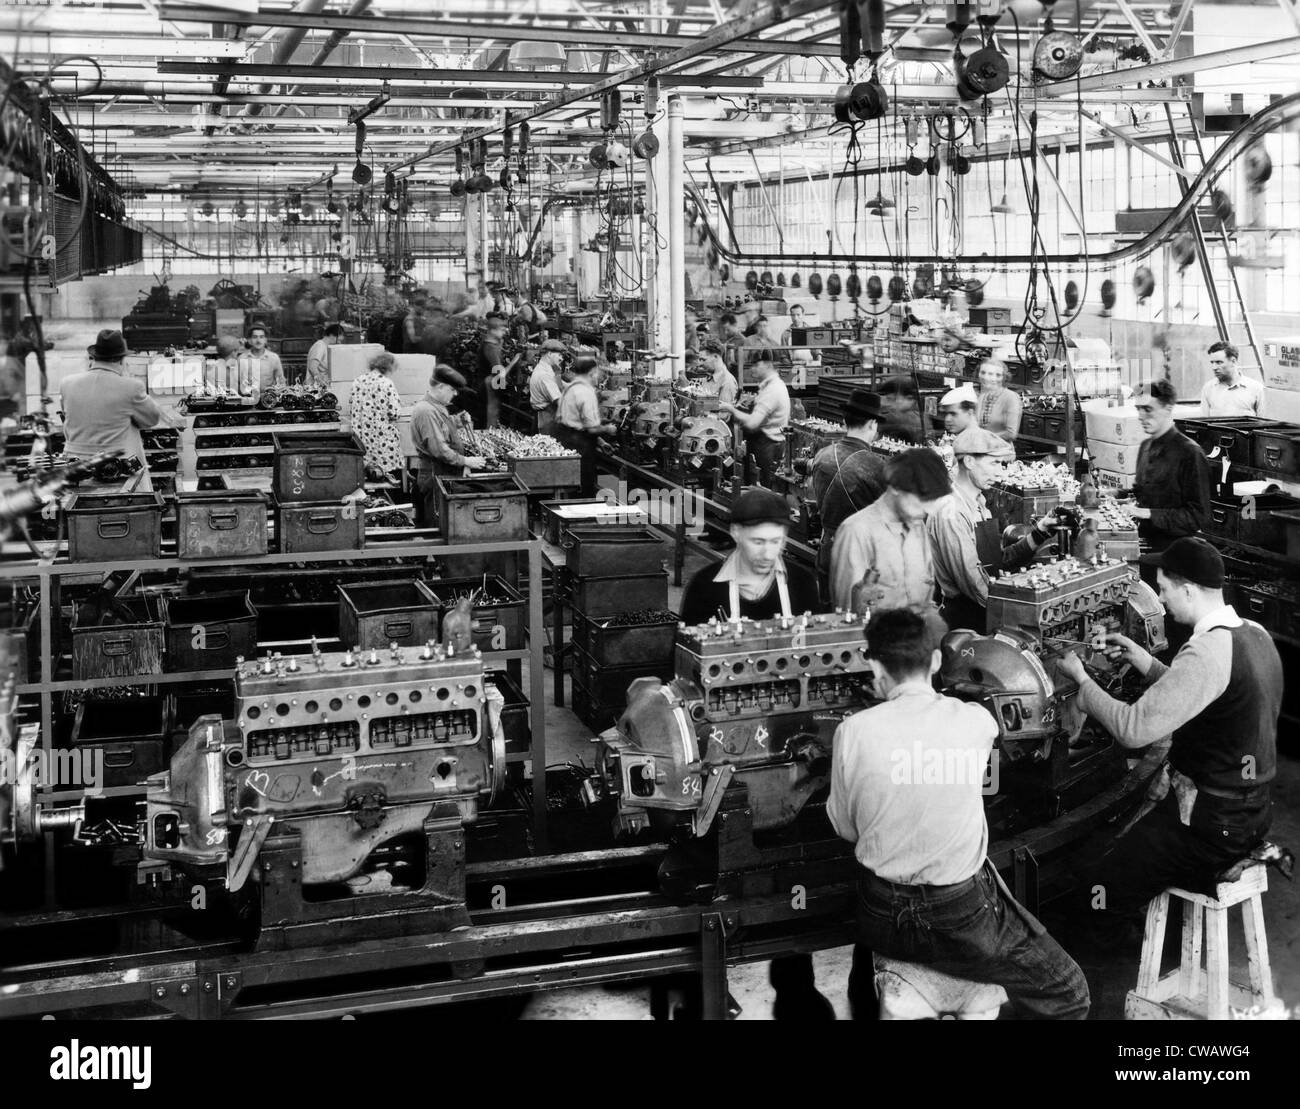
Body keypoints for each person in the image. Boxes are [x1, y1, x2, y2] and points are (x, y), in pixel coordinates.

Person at [830, 608, 1090, 1020]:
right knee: (1070, 993)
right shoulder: (976, 723)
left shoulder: (851, 732)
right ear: (935, 662)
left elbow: (847, 830)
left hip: (879, 914)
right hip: (958, 915)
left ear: (874, 665)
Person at [1056, 538, 1280, 930]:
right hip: (1251, 812)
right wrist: (1141, 660)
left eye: (1163, 589)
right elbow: (1200, 692)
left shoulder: (1206, 652)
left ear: (1188, 589)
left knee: (1094, 885)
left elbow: (1133, 730)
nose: (1160, 599)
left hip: (1213, 825)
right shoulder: (1252, 633)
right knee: (1125, 845)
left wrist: (1081, 682)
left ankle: (1114, 948)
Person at [927, 427, 1066, 632]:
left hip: (986, 611)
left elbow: (997, 563)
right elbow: (974, 583)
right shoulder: (951, 511)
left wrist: (1040, 531)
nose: (999, 472)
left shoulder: (979, 503)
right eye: (994, 463)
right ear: (970, 462)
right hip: (966, 625)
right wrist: (1020, 613)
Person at [1130, 379, 1210, 656]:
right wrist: (1120, 494)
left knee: (1174, 637)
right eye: (1138, 409)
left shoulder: (1190, 453)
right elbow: (1143, 491)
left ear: (1168, 408)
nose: (1141, 416)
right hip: (1147, 558)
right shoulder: (1145, 447)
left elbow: (1198, 516)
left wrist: (1148, 513)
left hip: (1176, 562)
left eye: (1148, 409)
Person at [829, 448, 950, 618]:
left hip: (917, 638)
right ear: (895, 488)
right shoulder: (857, 532)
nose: (926, 509)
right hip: (877, 641)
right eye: (921, 500)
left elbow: (926, 599)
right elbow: (849, 616)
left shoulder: (917, 525)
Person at [60, 329, 183, 492]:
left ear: (94, 357)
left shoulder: (67, 384)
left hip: (76, 472)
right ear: (121, 360)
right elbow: (151, 419)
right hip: (118, 474)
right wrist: (126, 378)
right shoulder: (130, 387)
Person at [808, 390, 887, 600]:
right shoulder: (875, 465)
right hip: (860, 557)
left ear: (845, 421)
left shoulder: (822, 456)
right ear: (872, 424)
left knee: (828, 615)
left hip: (828, 550)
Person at [409, 365, 487, 526]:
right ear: (441, 387)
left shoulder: (436, 408)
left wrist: (458, 421)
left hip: (443, 473)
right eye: (452, 390)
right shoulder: (427, 411)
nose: (455, 394)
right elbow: (438, 449)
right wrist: (465, 461)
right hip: (435, 474)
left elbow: (443, 427)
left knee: (447, 521)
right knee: (438, 523)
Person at [721, 350, 789, 487]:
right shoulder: (769, 386)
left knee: (764, 490)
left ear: (768, 365)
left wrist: (730, 409)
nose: (752, 368)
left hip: (767, 448)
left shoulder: (773, 390)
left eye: (756, 365)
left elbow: (753, 423)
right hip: (763, 445)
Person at [554, 355, 616, 497]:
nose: (598, 377)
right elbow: (592, 428)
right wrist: (608, 429)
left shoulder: (570, 388)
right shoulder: (586, 392)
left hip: (567, 439)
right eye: (597, 373)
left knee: (570, 483)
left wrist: (601, 442)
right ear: (591, 373)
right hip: (581, 445)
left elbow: (565, 418)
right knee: (583, 485)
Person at [349, 351, 405, 480]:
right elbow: (395, 413)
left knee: (365, 475)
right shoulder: (386, 383)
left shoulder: (357, 381)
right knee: (386, 476)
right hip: (381, 441)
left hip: (361, 439)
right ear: (388, 367)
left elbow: (352, 407)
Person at [1199, 340, 1265, 417]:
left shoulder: (1256, 388)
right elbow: (1203, 422)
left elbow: (1264, 423)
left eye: (1219, 362)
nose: (1214, 367)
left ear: (1233, 361)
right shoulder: (1208, 388)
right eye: (1212, 362)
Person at [975, 359, 1022, 442]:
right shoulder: (982, 396)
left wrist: (984, 439)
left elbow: (1011, 434)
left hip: (1001, 451)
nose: (985, 377)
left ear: (1002, 377)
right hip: (980, 449)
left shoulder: (1011, 397)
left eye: (990, 374)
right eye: (982, 372)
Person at [477, 313, 511, 429]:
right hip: (488, 387)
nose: (504, 332)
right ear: (492, 331)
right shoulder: (490, 348)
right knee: (491, 417)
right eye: (501, 330)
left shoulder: (490, 344)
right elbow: (499, 372)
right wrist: (515, 360)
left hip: (486, 384)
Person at [876, 376, 924, 443]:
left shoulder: (914, 419)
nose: (886, 403)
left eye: (890, 399)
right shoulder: (890, 414)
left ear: (909, 399)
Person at [241, 326, 284, 392]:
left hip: (268, 398)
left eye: (261, 337)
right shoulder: (242, 358)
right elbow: (237, 382)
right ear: (249, 340)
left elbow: (281, 381)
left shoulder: (274, 358)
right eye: (255, 337)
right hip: (248, 398)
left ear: (265, 340)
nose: (258, 340)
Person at [305, 323, 344, 391]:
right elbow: (312, 367)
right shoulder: (320, 346)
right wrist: (322, 383)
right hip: (314, 388)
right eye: (339, 340)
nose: (339, 343)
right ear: (332, 335)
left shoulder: (327, 347)